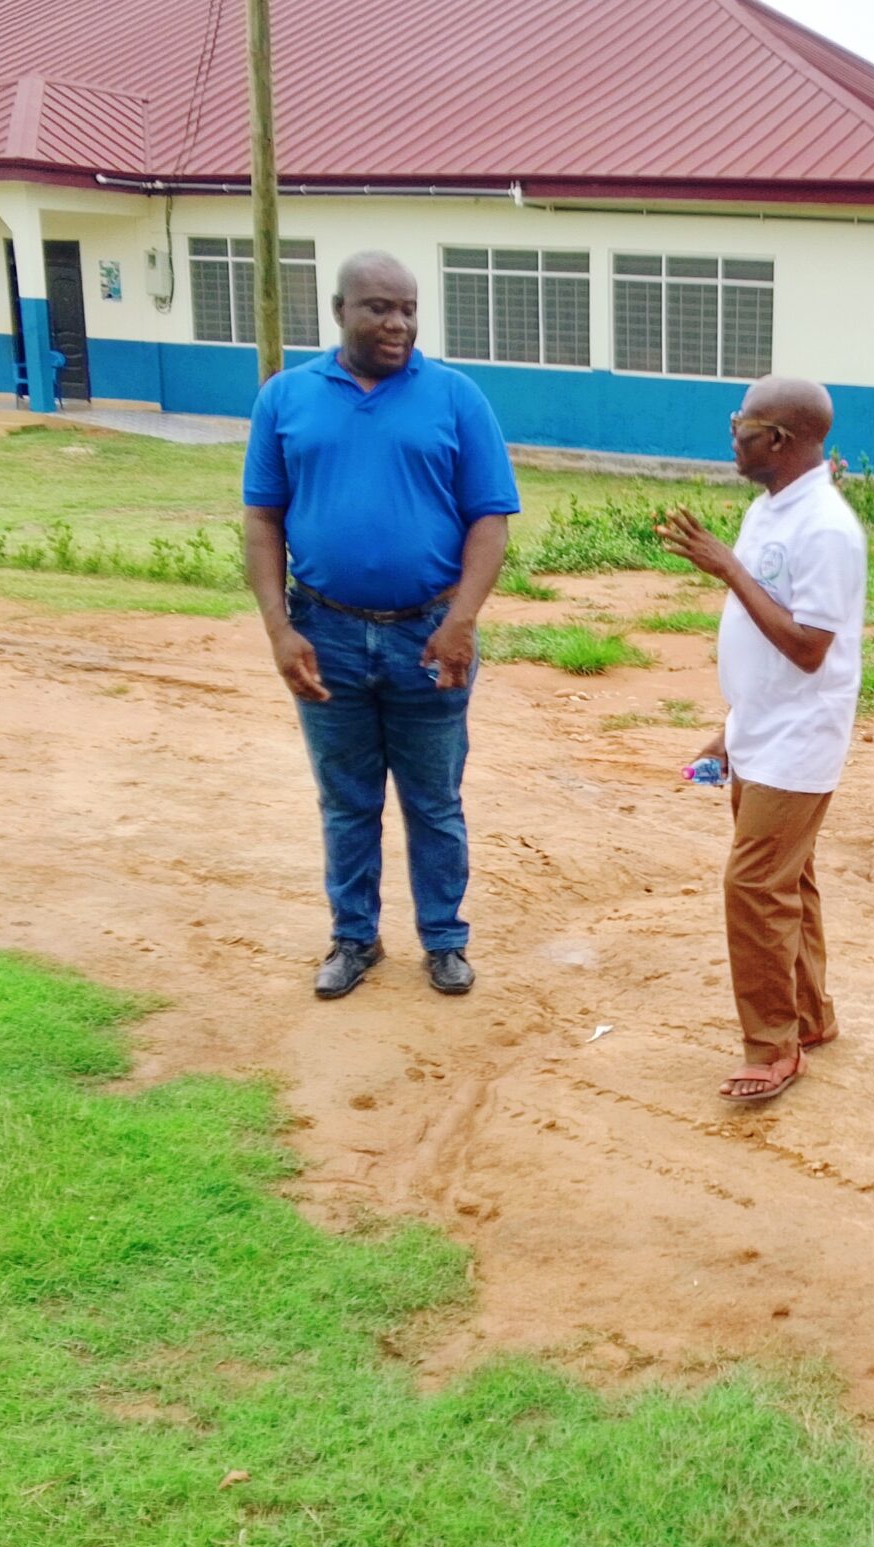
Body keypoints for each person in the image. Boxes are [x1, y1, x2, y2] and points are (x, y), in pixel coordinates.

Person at [242, 251, 519, 1000]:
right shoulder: (285, 397)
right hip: (324, 633)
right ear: (339, 311)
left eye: (408, 309)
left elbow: (490, 521)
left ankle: (445, 940)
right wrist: (278, 630)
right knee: (346, 800)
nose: (397, 323)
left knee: (434, 800)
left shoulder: (456, 397)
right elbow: (263, 520)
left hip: (428, 636)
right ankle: (354, 937)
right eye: (378, 308)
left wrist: (462, 620)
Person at [658, 378, 867, 1104]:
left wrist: (728, 567)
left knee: (753, 885)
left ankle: (773, 1048)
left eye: (741, 423)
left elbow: (809, 647)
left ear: (777, 439)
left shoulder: (827, 529)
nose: (733, 434)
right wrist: (729, 729)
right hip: (760, 730)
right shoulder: (768, 510)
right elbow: (759, 634)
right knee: (787, 879)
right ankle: (809, 1017)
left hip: (800, 740)